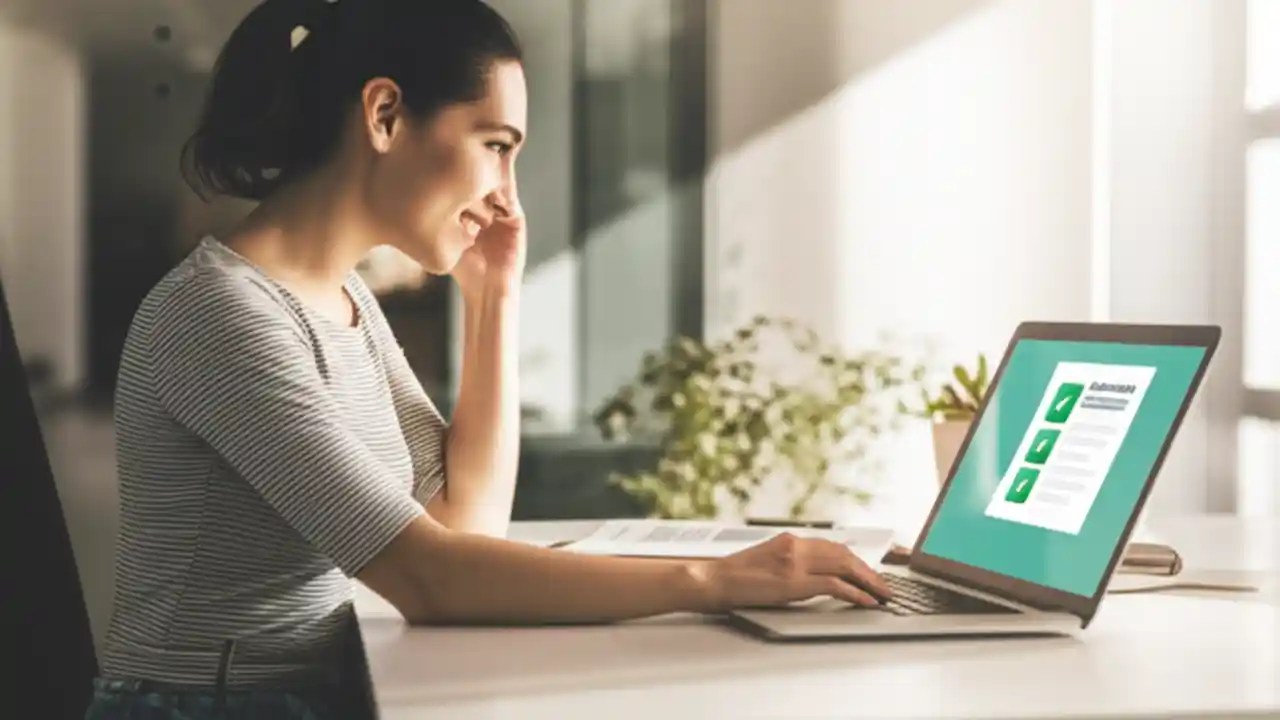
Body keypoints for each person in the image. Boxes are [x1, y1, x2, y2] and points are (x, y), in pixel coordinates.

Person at [86, 0, 891, 717]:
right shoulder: (221, 314)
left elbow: (466, 525)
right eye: (495, 145)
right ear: (385, 114)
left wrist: (494, 299)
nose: (508, 194)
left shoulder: (343, 300)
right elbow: (432, 580)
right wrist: (714, 581)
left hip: (320, 689)